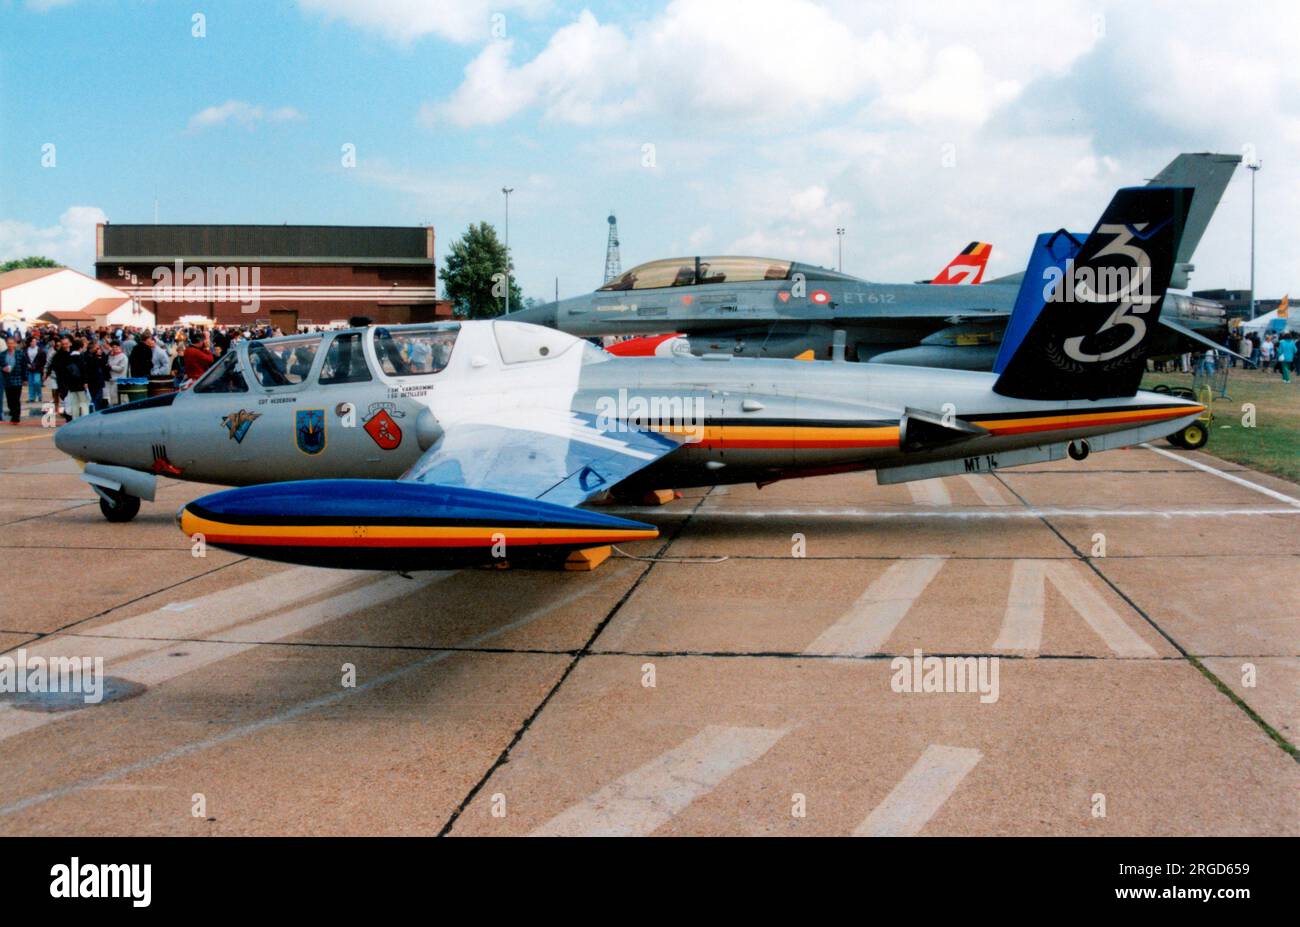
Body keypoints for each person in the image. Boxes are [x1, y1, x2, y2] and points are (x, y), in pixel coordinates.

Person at [1, 336, 29, 424]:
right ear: (6, 344)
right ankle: (12, 412)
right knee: (9, 399)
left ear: (15, 344)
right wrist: (3, 368)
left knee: (16, 398)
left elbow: (24, 366)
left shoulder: (20, 353)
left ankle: (16, 416)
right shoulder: (2, 354)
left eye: (12, 343)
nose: (10, 345)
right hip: (7, 379)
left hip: (17, 379)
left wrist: (25, 378)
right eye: (8, 343)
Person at [106, 340, 128, 404]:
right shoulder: (110, 356)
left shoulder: (123, 357)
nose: (115, 348)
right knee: (113, 398)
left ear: (119, 347)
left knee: (121, 399)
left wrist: (111, 367)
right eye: (113, 347)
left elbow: (121, 368)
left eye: (116, 347)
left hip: (120, 380)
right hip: (112, 380)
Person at [24, 335, 45, 403]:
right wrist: (27, 364)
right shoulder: (26, 350)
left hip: (37, 369)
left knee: (37, 382)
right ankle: (31, 397)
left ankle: (39, 395)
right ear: (29, 342)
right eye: (32, 341)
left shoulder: (40, 350)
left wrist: (38, 365)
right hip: (29, 369)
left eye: (35, 341)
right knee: (30, 384)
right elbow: (24, 359)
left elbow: (43, 360)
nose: (34, 343)